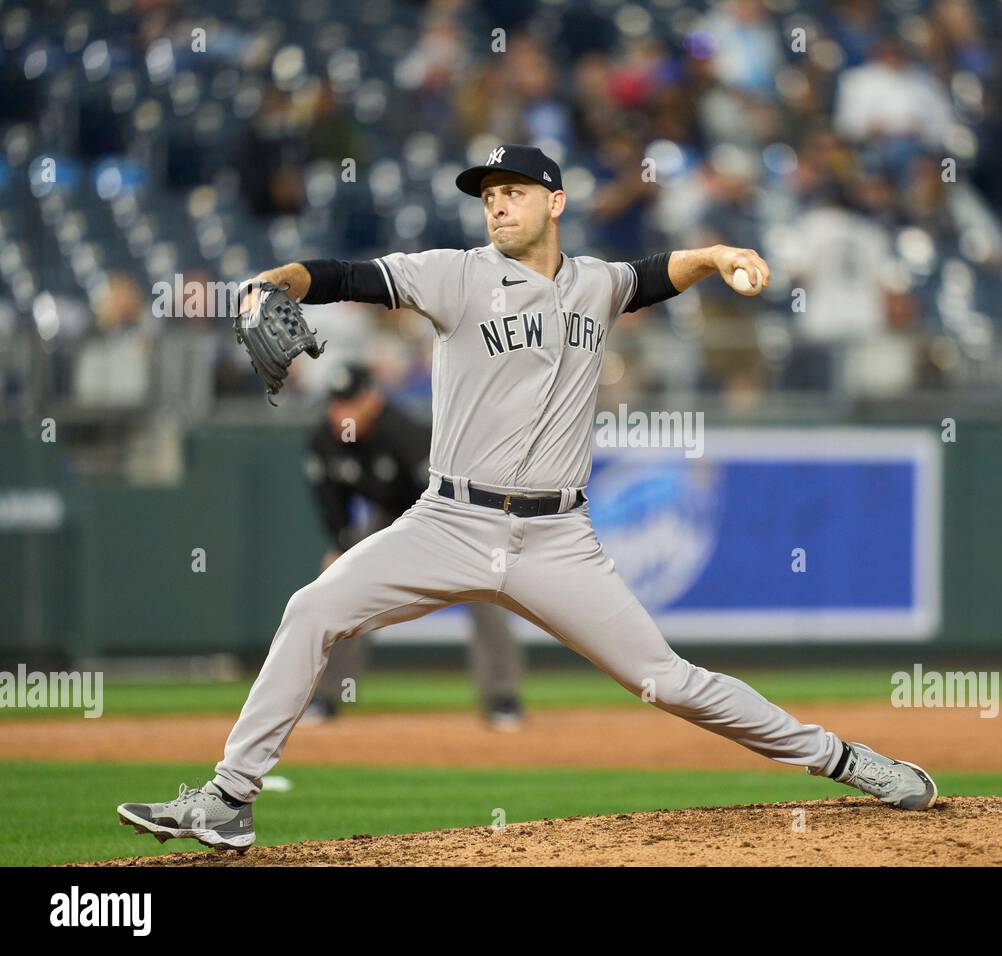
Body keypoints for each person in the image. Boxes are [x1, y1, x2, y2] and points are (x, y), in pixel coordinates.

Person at [115, 144, 936, 853]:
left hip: (557, 540)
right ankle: (229, 800)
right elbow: (334, 274)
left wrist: (718, 254)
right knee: (312, 609)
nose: (496, 204)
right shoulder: (455, 276)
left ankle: (844, 760)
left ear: (556, 202)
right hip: (449, 518)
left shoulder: (595, 285)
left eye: (512, 190)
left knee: (670, 680)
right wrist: (266, 283)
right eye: (488, 194)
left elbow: (656, 274)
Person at [302, 362, 525, 730]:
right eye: (336, 403)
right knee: (339, 587)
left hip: (450, 512)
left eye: (351, 402)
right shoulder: (324, 439)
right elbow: (331, 501)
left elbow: (443, 494)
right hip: (389, 515)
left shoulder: (404, 433)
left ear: (372, 400)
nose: (341, 412)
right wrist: (340, 546)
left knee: (485, 589)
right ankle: (327, 696)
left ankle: (502, 697)